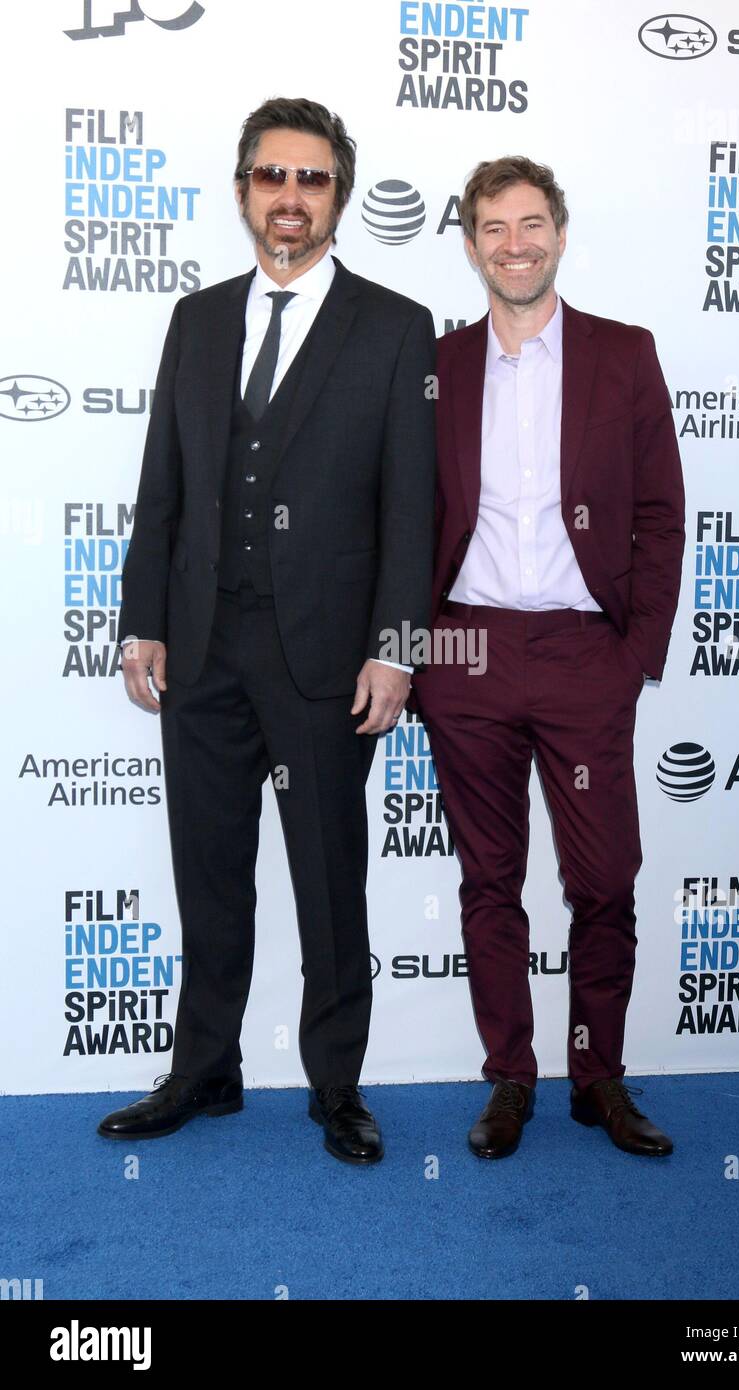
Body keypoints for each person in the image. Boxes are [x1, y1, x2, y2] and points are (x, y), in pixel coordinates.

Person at [97, 97, 436, 1164]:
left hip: (327, 659)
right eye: (271, 176)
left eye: (313, 179)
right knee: (206, 865)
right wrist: (142, 617)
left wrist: (396, 647)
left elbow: (412, 505)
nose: (290, 198)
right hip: (198, 646)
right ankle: (205, 1068)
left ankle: (336, 1084)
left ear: (338, 195)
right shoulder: (197, 320)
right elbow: (164, 483)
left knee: (330, 875)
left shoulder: (393, 326)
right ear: (244, 188)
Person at [412, 156, 685, 1159]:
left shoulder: (623, 355)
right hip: (466, 654)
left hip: (584, 653)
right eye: (492, 227)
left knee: (602, 880)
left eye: (530, 225)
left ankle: (596, 1073)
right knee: (489, 881)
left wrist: (633, 655)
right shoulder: (436, 365)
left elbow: (659, 514)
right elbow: (402, 526)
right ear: (470, 240)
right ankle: (509, 1080)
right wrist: (414, 658)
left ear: (560, 234)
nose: (513, 245)